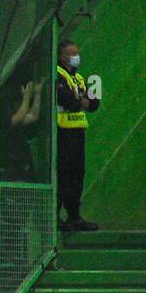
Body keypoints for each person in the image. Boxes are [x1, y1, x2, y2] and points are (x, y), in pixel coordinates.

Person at [55, 39, 100, 231]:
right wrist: (80, 100)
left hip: (78, 131)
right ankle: (55, 215)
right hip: (63, 132)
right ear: (63, 56)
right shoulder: (58, 75)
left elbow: (94, 103)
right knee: (63, 174)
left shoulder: (79, 78)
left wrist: (79, 99)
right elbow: (67, 101)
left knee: (77, 174)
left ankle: (74, 216)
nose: (76, 57)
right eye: (73, 54)